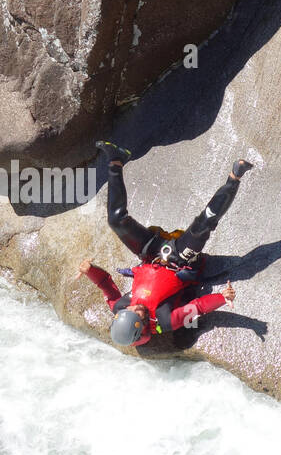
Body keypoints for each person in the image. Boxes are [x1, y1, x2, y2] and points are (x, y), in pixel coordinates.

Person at [79, 141, 250, 347]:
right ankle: (234, 178)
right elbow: (197, 308)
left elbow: (105, 284)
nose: (134, 309)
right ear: (143, 326)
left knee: (116, 220)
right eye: (138, 315)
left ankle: (116, 160)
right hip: (180, 260)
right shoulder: (166, 321)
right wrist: (222, 297)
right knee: (204, 223)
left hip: (150, 254)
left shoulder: (119, 308)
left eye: (130, 311)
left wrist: (90, 271)